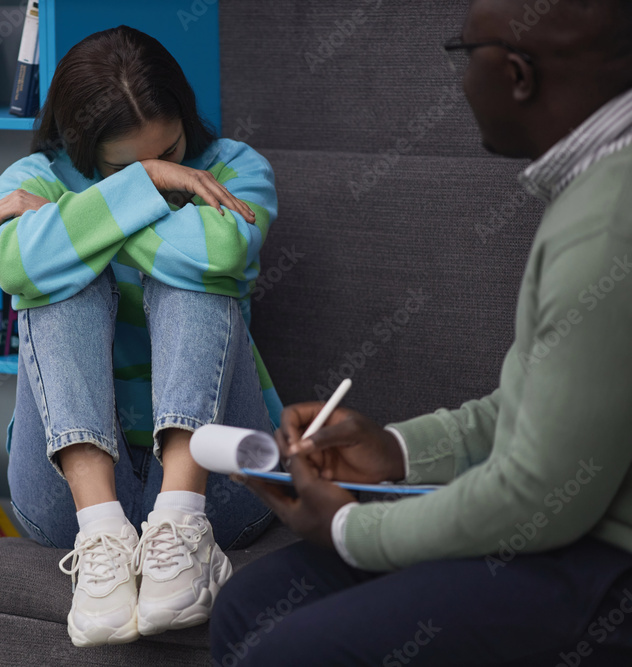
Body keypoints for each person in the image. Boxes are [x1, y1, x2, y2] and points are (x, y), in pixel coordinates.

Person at [211, 0, 632, 664]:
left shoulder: (609, 220)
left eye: (464, 56)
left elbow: (541, 499)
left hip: (602, 564)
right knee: (249, 604)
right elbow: (529, 407)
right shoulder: (588, 186)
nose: (461, 84)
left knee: (286, 650)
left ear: (517, 74)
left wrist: (353, 527)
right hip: (563, 537)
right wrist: (397, 453)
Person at [0, 26, 281, 648]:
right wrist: (146, 186)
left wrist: (78, 221)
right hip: (68, 498)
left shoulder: (236, 166)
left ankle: (181, 527)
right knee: (57, 286)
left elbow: (222, 249)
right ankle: (105, 538)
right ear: (77, 140)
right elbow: (16, 270)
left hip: (225, 485)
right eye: (127, 167)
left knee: (196, 275)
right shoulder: (33, 174)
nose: (166, 171)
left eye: (170, 152)